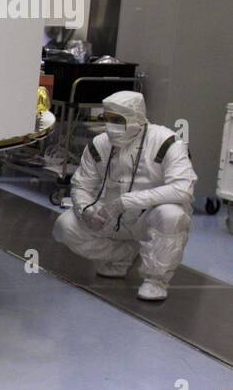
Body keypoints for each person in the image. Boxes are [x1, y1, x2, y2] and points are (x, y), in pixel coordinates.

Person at [53, 90, 196, 301]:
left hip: (147, 218)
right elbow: (80, 185)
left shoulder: (166, 142)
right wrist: (86, 210)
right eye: (107, 118)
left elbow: (183, 188)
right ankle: (123, 255)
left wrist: (127, 201)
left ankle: (155, 279)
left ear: (136, 117)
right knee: (64, 226)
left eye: (118, 120)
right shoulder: (99, 144)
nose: (111, 126)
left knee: (172, 216)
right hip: (108, 217)